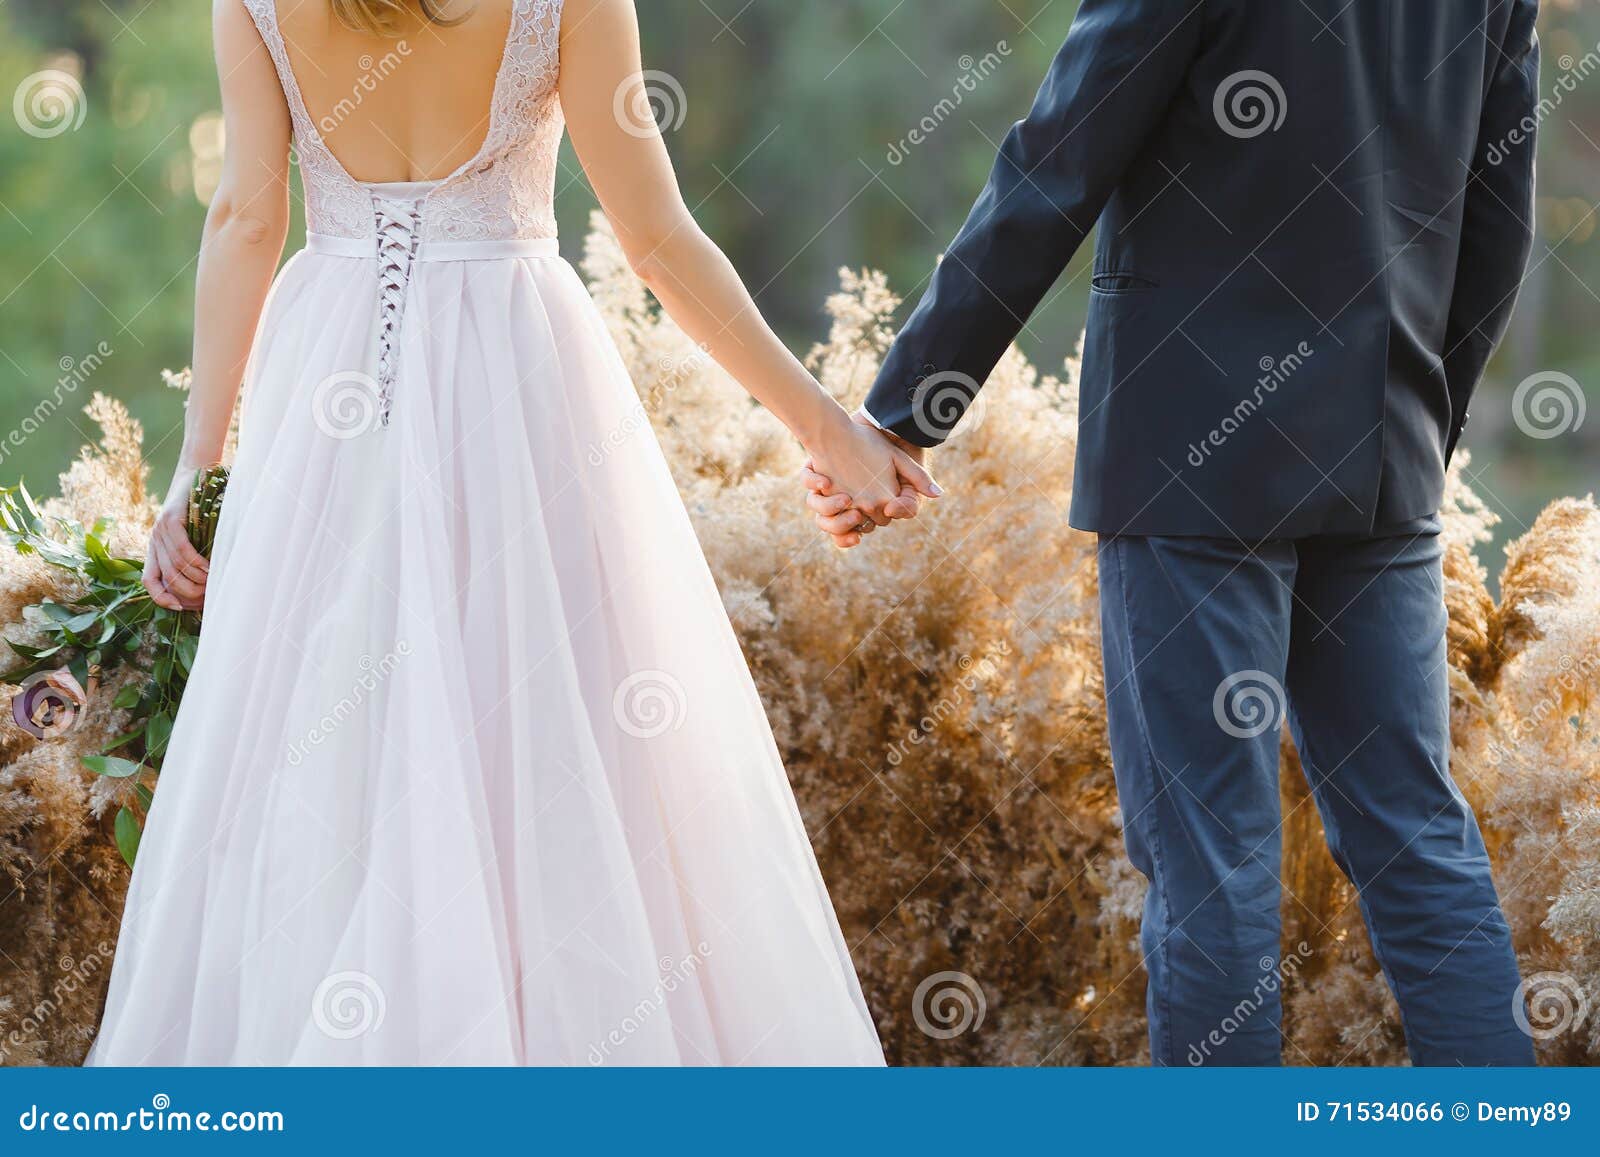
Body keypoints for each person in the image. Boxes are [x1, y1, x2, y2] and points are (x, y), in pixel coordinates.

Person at [93, 0, 916, 1065]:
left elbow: (244, 221)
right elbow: (657, 240)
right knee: (564, 746)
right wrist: (827, 430)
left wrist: (195, 469)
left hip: (330, 397)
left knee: (327, 738)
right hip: (519, 390)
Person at [809, 0, 1541, 1066]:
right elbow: (1499, 212)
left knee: (1213, 864)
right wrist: (1420, 423)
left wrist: (901, 413)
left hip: (1192, 463)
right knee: (1414, 836)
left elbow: (1056, 163)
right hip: (1385, 454)